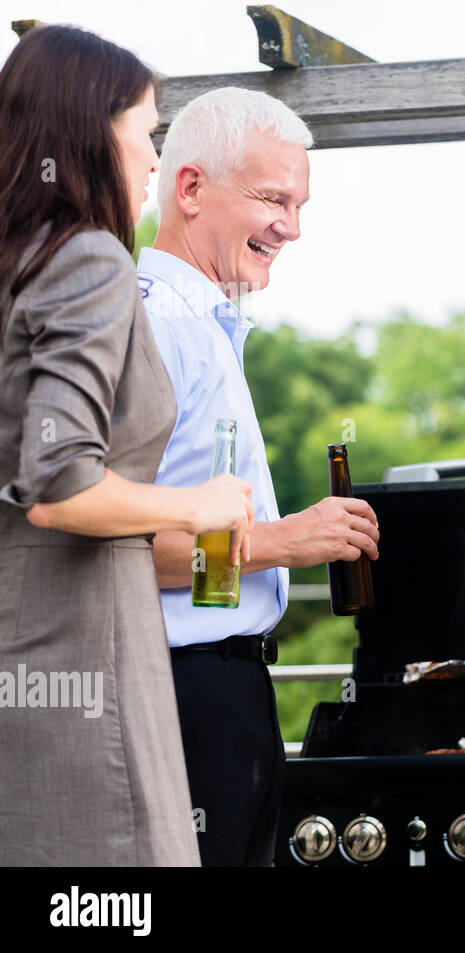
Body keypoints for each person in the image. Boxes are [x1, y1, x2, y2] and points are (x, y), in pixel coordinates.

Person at [0, 26, 254, 866]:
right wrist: (201, 504)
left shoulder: (20, 264)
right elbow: (59, 484)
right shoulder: (88, 261)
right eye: (144, 133)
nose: (151, 160)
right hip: (84, 657)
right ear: (89, 128)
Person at [139, 87, 381, 866]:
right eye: (272, 198)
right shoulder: (153, 326)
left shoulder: (206, 324)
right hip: (183, 694)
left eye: (300, 203)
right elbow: (111, 545)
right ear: (190, 188)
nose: (293, 225)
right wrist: (279, 541)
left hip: (224, 691)